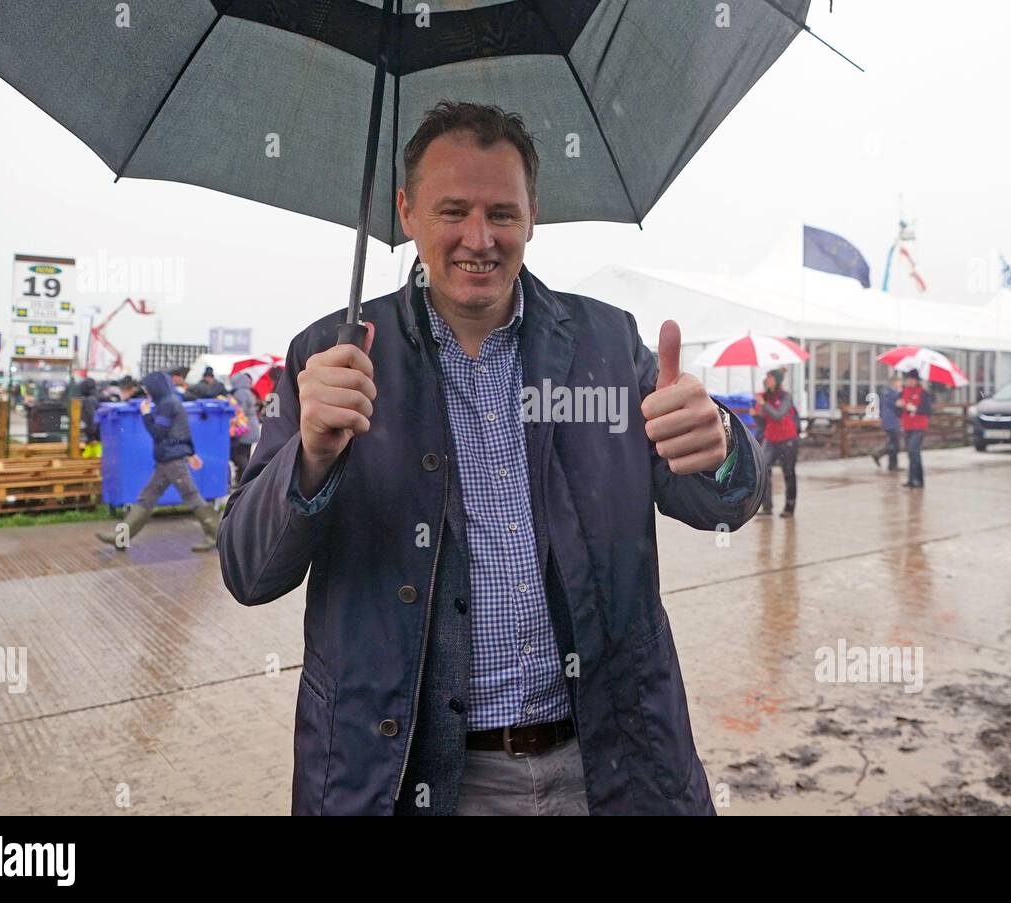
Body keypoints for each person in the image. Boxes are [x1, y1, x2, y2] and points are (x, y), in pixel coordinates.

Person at [218, 102, 764, 817]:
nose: (480, 239)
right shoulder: (332, 358)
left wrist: (719, 445)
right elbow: (249, 571)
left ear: (533, 213)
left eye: (502, 213)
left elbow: (721, 503)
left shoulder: (604, 342)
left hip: (610, 765)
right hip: (411, 777)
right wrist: (311, 456)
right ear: (407, 211)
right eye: (453, 211)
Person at [96, 371, 221, 551]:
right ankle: (120, 537)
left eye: (148, 389)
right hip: (167, 460)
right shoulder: (171, 402)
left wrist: (146, 414)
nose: (146, 393)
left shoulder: (167, 405)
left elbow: (158, 433)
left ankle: (218, 536)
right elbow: (182, 431)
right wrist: (192, 453)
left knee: (191, 497)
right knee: (147, 498)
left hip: (172, 461)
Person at [754, 368, 799, 516]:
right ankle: (767, 506)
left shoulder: (785, 396)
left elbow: (778, 415)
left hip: (787, 439)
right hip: (770, 438)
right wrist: (756, 412)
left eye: (770, 378)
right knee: (763, 470)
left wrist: (764, 404)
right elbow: (762, 420)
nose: (768, 380)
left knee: (788, 472)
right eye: (767, 378)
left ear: (777, 380)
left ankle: (789, 508)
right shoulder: (765, 397)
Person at [898, 369, 932, 489]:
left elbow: (927, 410)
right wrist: (899, 405)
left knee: (913, 451)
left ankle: (917, 479)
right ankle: (913, 479)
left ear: (916, 380)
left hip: (919, 426)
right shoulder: (903, 391)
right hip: (907, 426)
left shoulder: (923, 393)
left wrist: (912, 408)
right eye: (908, 379)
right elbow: (898, 410)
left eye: (911, 379)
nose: (909, 381)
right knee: (912, 453)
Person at [228, 371, 261, 488]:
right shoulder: (248, 392)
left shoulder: (240, 393)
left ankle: (247, 478)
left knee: (238, 454)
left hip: (244, 427)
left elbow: (240, 411)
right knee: (245, 453)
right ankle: (242, 481)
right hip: (251, 425)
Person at [870, 373, 902, 471]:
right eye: (898, 382)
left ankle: (892, 464)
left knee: (893, 443)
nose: (900, 384)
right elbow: (898, 404)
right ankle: (879, 455)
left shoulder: (887, 393)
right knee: (895, 444)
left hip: (890, 421)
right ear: (894, 383)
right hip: (891, 422)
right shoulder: (890, 393)